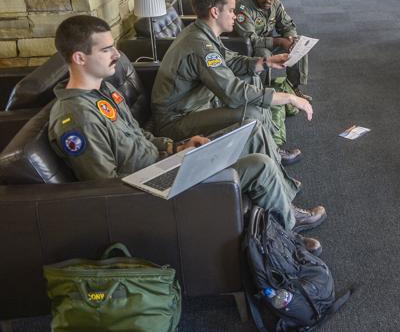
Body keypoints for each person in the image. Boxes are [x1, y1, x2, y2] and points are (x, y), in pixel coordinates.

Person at [48, 16, 326, 252]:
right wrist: (169, 168)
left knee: (248, 133)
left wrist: (175, 148)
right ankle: (289, 242)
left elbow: (138, 137)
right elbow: (105, 190)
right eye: (107, 49)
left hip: (166, 165)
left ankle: (285, 211)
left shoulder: (103, 91)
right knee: (260, 165)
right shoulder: (76, 119)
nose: (117, 55)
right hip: (152, 192)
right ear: (80, 57)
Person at [150, 0, 311, 166]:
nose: (235, 16)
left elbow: (231, 60)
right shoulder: (201, 45)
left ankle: (269, 146)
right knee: (252, 111)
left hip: (194, 104)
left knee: (251, 75)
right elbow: (233, 93)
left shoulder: (202, 32)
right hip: (176, 121)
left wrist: (265, 62)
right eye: (231, 10)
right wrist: (288, 98)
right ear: (215, 12)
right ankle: (271, 156)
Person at [234, 0, 311, 100]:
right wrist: (280, 41)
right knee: (263, 54)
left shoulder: (276, 4)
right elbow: (249, 40)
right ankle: (262, 94)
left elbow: (287, 25)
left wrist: (290, 38)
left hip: (270, 42)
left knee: (298, 45)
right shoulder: (243, 7)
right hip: (248, 47)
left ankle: (293, 88)